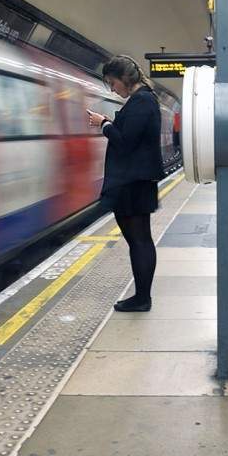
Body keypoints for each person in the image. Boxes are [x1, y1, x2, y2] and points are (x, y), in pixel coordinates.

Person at [87, 55, 163, 312]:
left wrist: (104, 124)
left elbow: (126, 142)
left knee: (139, 240)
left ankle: (142, 298)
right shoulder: (144, 100)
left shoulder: (142, 101)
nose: (112, 89)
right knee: (138, 240)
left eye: (112, 83)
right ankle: (142, 296)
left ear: (124, 78)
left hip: (133, 183)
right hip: (135, 181)